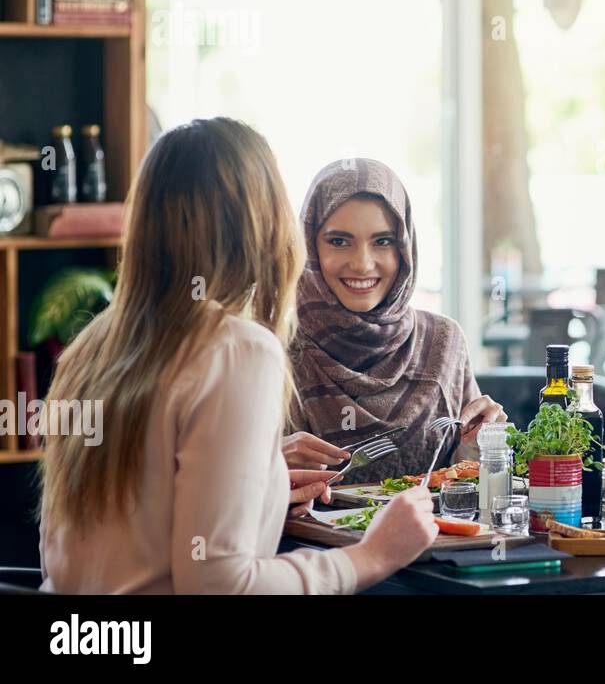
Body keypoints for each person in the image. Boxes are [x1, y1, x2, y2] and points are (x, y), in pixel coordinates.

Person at [40, 118, 438, 593]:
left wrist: (261, 475)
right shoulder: (237, 349)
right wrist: (371, 556)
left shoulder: (91, 346)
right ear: (264, 222)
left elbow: (90, 550)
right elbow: (219, 584)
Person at [285, 158, 504, 485]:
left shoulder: (442, 342)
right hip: (308, 538)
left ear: (405, 248)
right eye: (339, 241)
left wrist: (487, 441)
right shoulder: (274, 346)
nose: (362, 263)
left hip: (441, 536)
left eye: (382, 241)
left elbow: (467, 475)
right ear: (308, 246)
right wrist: (266, 463)